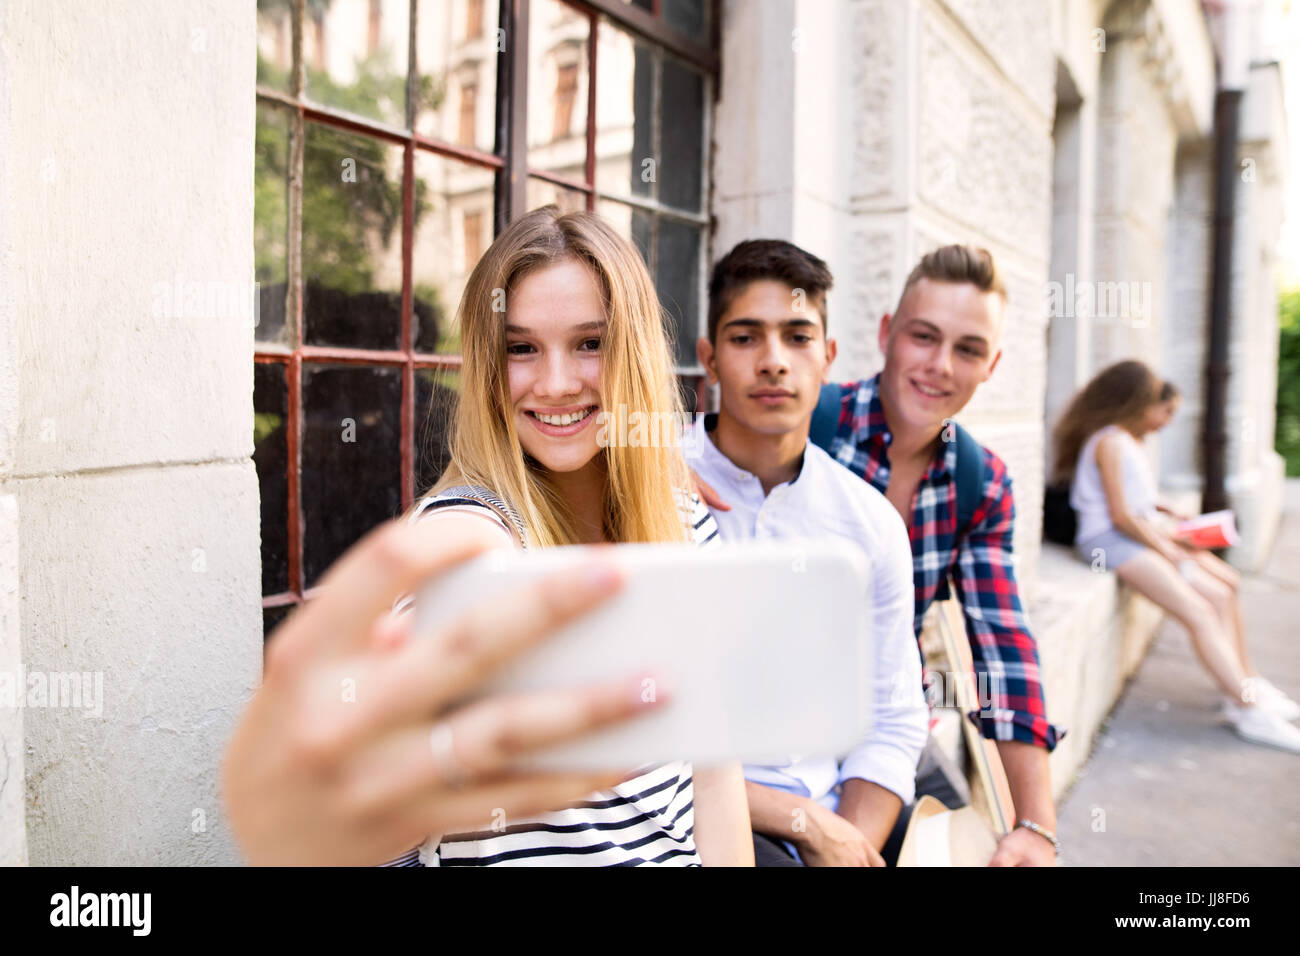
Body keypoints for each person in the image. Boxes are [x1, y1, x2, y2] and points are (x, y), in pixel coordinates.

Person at [224, 206, 753, 865]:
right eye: (521, 348)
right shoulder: (472, 541)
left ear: (637, 353)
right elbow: (376, 802)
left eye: (590, 343)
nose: (556, 383)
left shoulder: (685, 520)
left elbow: (715, 767)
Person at [701, 244, 1065, 865]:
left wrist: (1035, 822)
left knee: (966, 849)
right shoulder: (807, 419)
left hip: (875, 719)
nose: (940, 365)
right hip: (739, 764)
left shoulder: (978, 482)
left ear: (992, 365)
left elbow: (1001, 645)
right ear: (887, 335)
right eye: (924, 337)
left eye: (969, 349)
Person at [691, 239, 928, 866]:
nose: (773, 362)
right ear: (709, 360)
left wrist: (845, 841)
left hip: (832, 816)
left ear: (827, 358)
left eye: (797, 337)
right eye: (745, 338)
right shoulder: (649, 487)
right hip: (685, 821)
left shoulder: (868, 523)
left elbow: (894, 718)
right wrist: (808, 828)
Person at [1053, 359, 1300, 752]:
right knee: (1198, 610)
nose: (1163, 414)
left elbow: (1138, 506)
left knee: (1222, 591)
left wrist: (1171, 527)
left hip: (1133, 537)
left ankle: (1245, 684)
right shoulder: (1110, 441)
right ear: (1133, 399)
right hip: (1107, 542)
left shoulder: (1122, 440)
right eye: (1156, 402)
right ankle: (1249, 707)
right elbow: (1121, 516)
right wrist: (1169, 550)